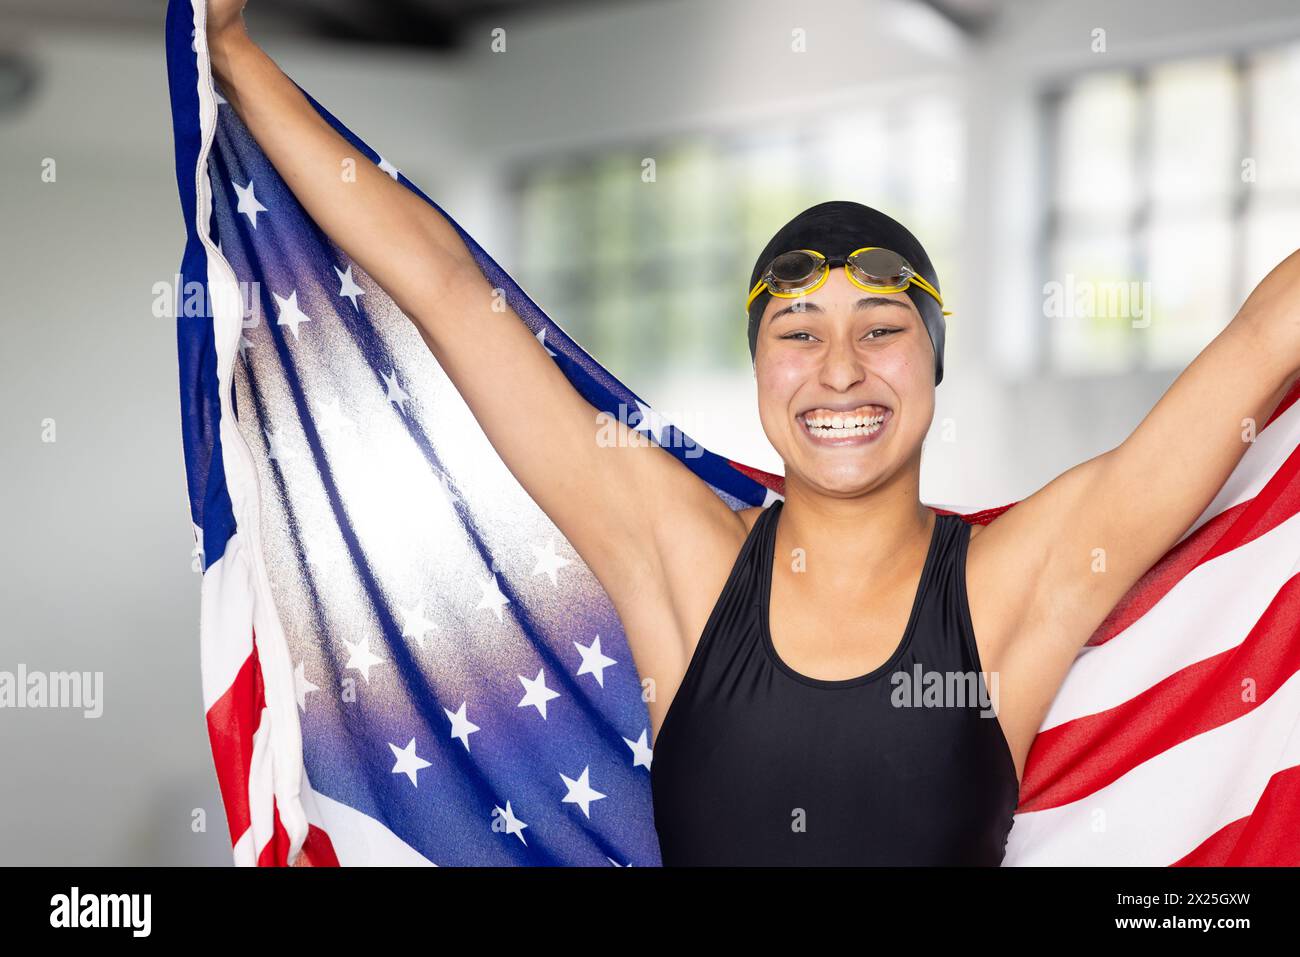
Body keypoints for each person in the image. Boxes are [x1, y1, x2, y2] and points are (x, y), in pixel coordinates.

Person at [205, 0, 1300, 865]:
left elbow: (1261, 342)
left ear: (930, 366)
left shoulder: (1017, 587)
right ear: (759, 367)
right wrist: (236, 51)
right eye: (797, 332)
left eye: (881, 330)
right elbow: (446, 289)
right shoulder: (677, 561)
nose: (839, 370)